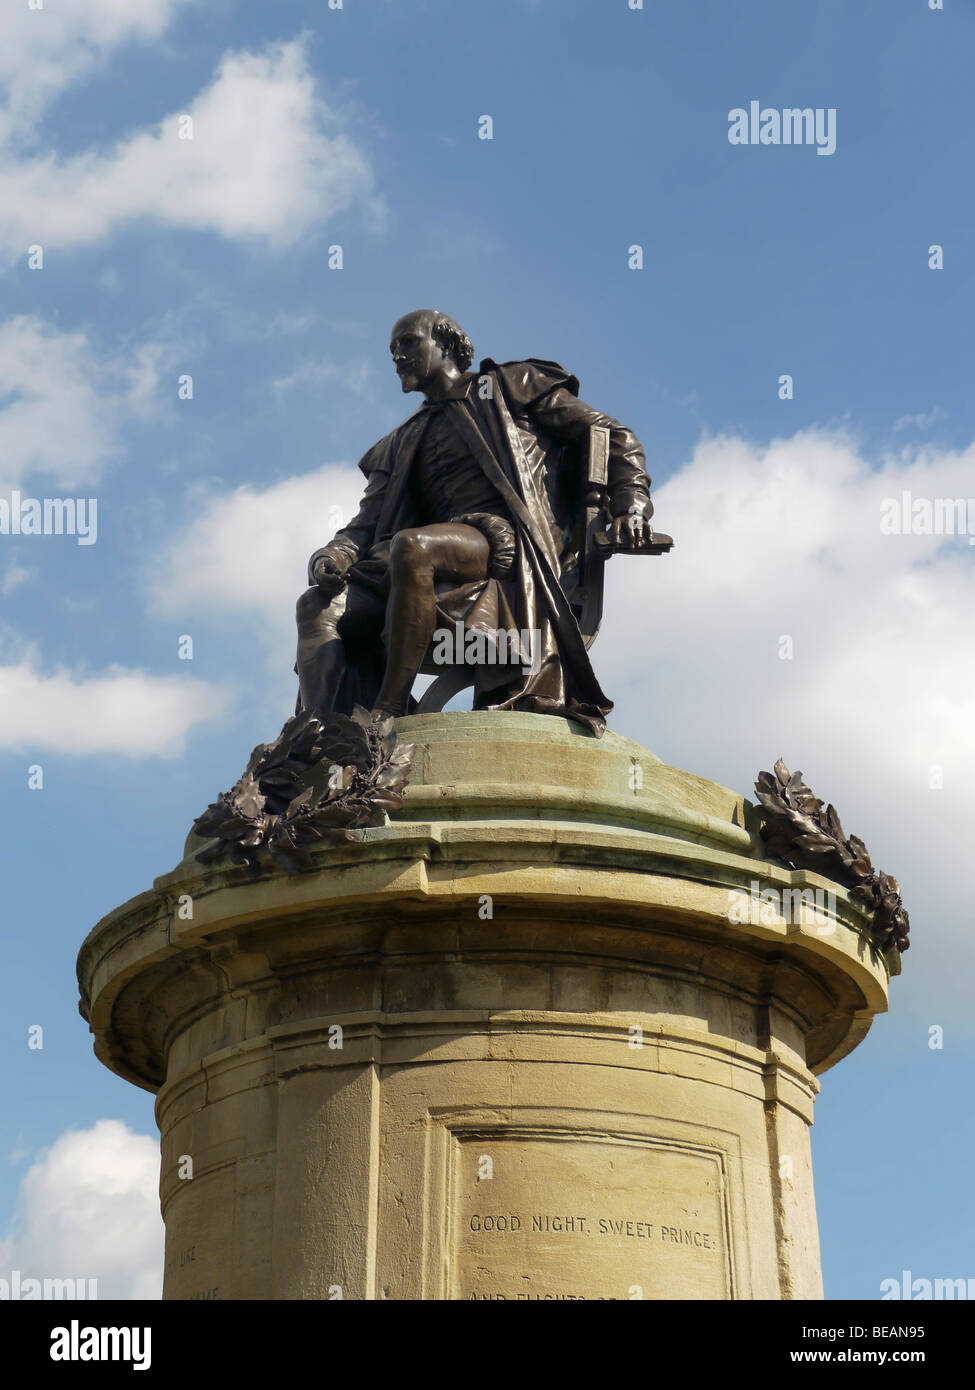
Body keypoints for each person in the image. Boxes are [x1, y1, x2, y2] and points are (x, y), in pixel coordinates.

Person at [295, 309, 654, 734]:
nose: (397, 356)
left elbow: (612, 435)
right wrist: (334, 554)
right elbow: (364, 524)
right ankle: (315, 736)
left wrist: (631, 505)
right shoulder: (402, 439)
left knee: (412, 547)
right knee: (317, 605)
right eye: (392, 349)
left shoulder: (510, 385)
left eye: (408, 342)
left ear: (446, 345)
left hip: (508, 547)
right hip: (421, 563)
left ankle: (388, 713)